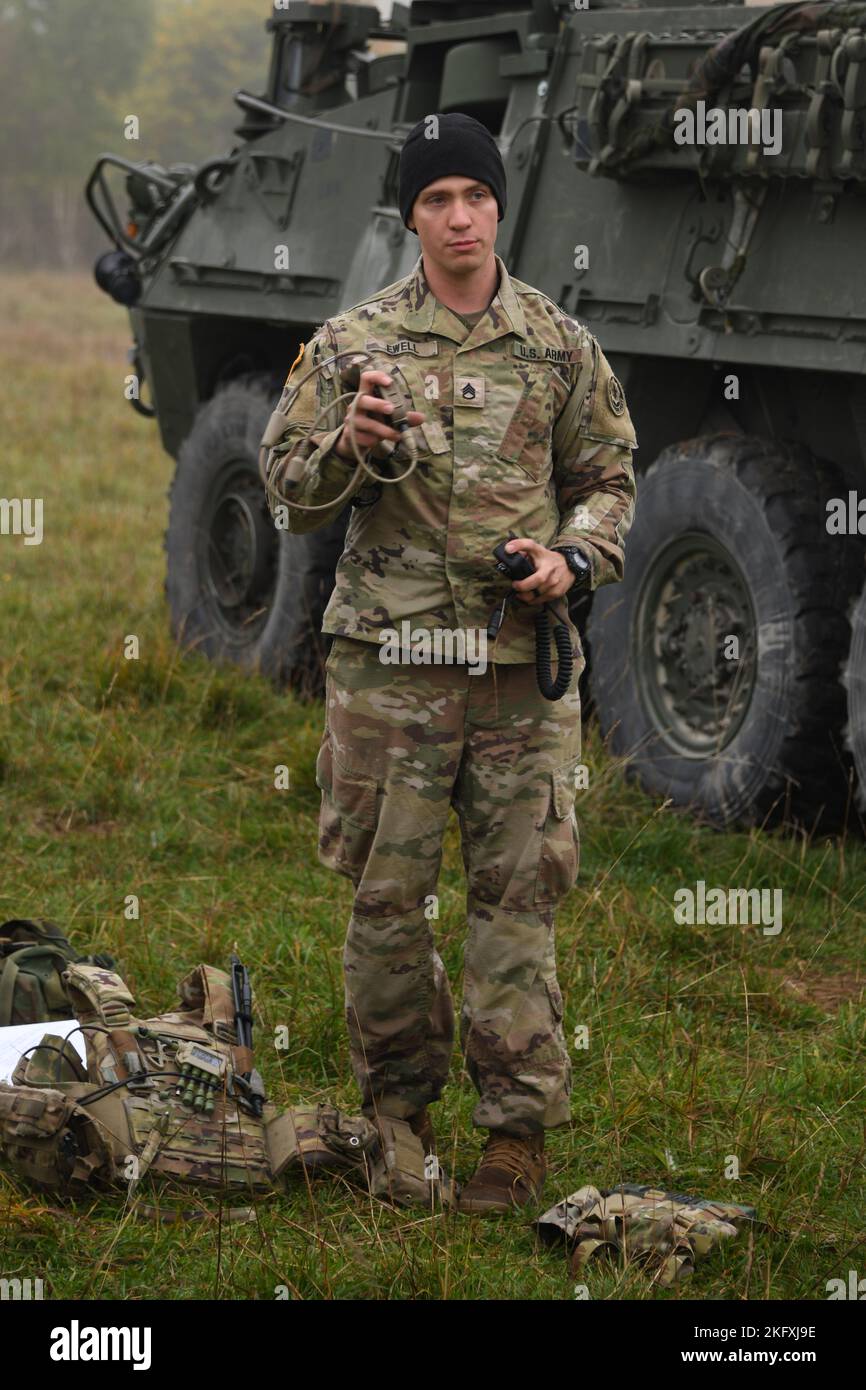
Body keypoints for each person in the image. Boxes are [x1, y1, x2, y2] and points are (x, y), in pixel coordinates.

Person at [263, 112, 637, 1213]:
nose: (458, 216)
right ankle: (397, 1114)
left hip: (520, 670)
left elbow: (610, 476)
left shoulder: (559, 343)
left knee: (516, 899)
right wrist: (348, 445)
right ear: (411, 214)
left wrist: (570, 560)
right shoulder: (350, 346)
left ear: (496, 203)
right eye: (436, 200)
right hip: (390, 670)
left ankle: (515, 1131)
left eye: (473, 195)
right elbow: (285, 486)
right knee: (385, 901)